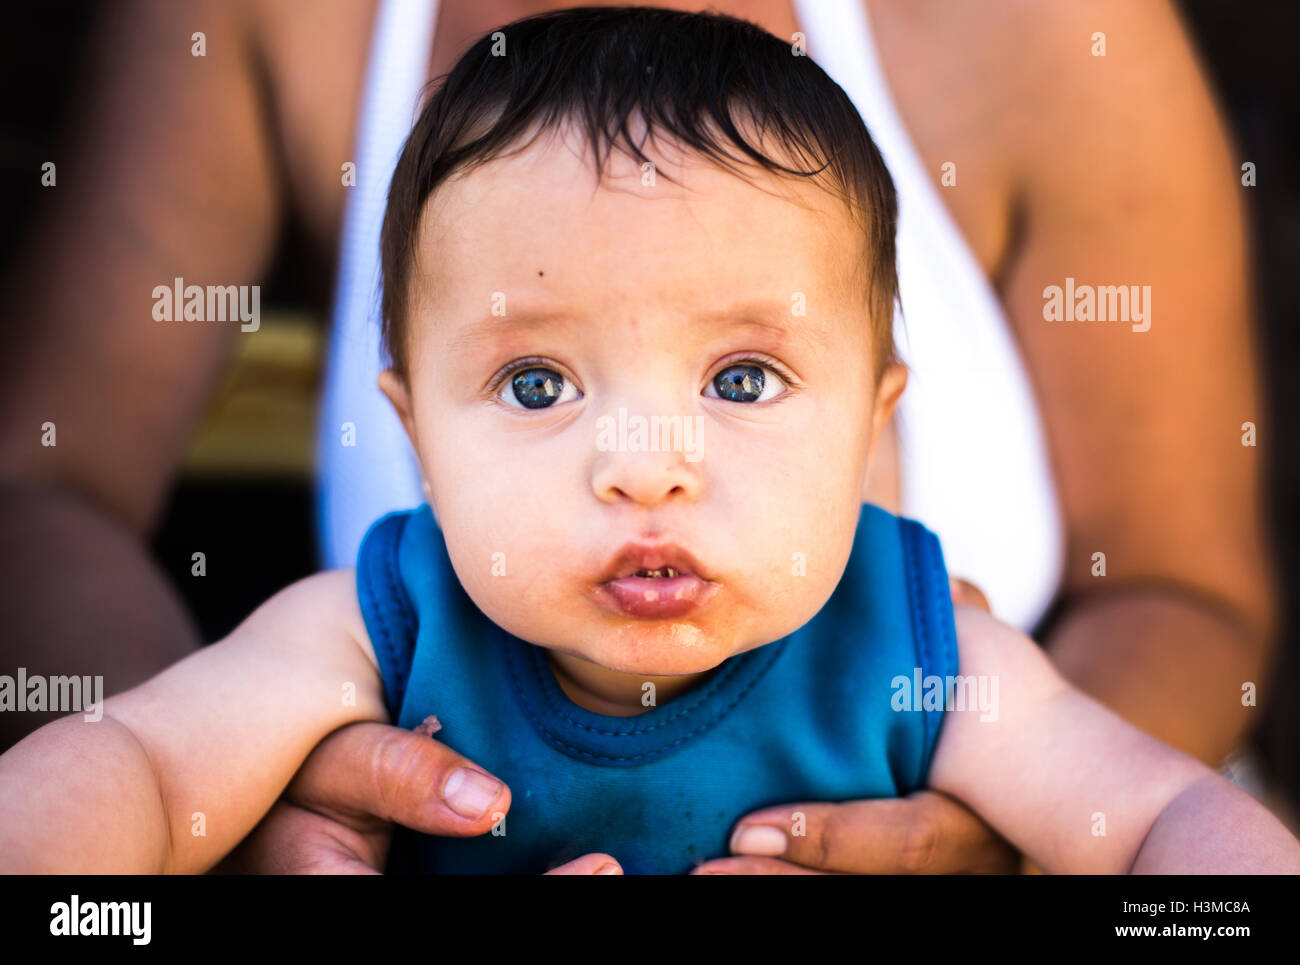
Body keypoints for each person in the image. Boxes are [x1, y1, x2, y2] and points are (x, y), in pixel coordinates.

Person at [2, 8, 1295, 874]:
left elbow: (1159, 818)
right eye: (534, 383)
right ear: (417, 440)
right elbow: (137, 762)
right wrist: (214, 836)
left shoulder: (910, 647)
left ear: (872, 424)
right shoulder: (379, 625)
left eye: (742, 375)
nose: (645, 460)